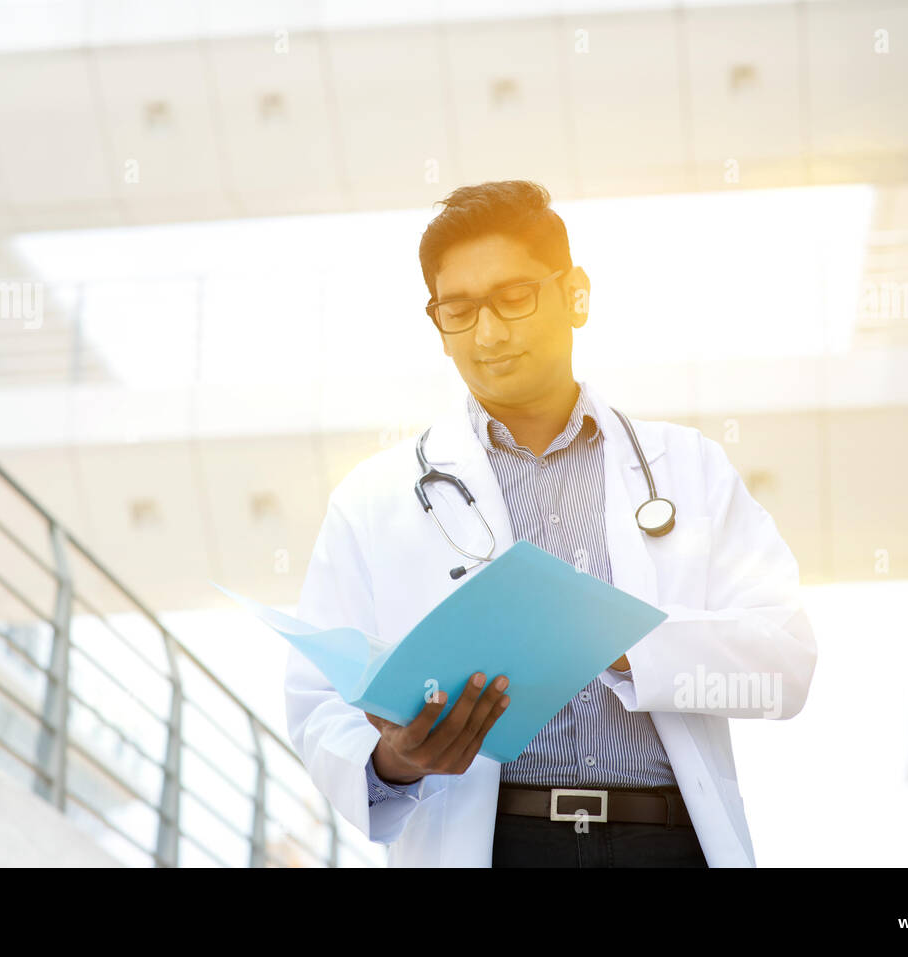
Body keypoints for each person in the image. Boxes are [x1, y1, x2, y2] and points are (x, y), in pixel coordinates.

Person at [284, 180, 816, 867]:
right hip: (496, 844)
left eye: (514, 297)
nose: (488, 333)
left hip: (667, 842)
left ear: (575, 294)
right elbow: (318, 703)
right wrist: (395, 759)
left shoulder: (689, 468)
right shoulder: (374, 499)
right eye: (459, 310)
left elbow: (785, 662)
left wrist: (613, 641)